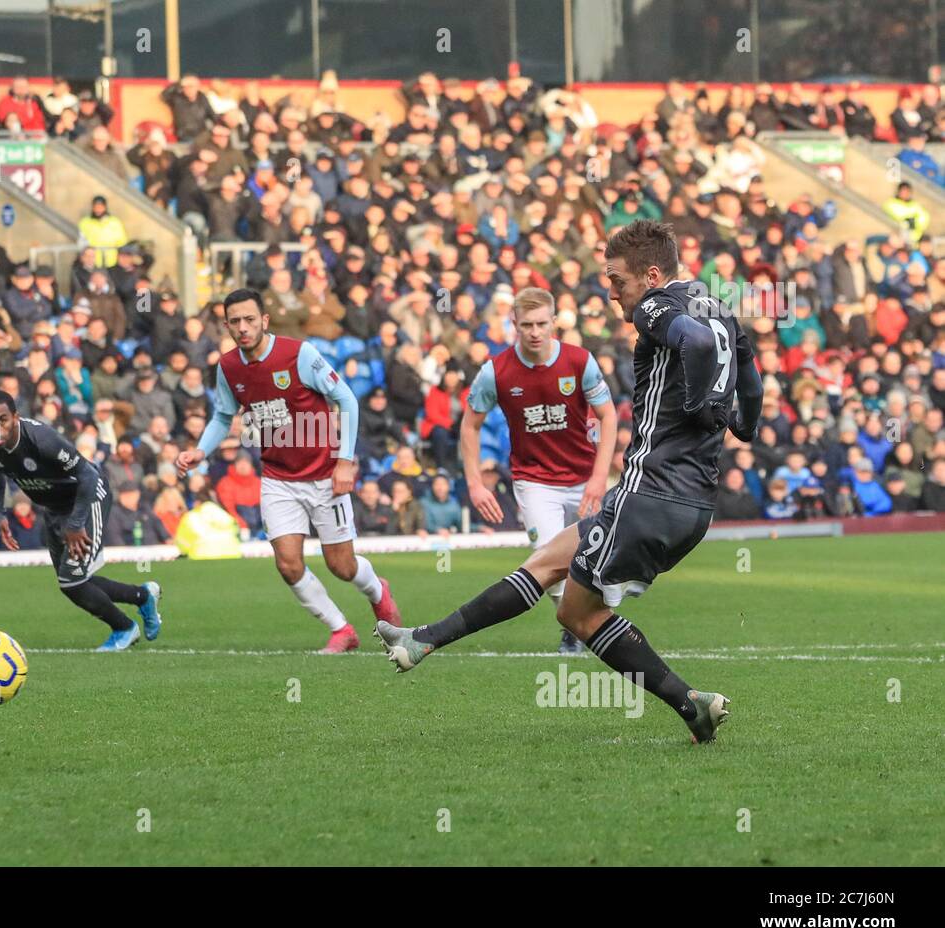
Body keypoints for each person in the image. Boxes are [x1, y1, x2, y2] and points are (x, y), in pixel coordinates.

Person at [378, 220, 764, 744]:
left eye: (616, 279)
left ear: (652, 275)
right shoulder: (717, 305)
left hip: (649, 493)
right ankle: (420, 640)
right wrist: (744, 422)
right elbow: (748, 368)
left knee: (576, 613)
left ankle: (688, 702)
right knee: (544, 563)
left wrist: (698, 405)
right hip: (691, 503)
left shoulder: (655, 305)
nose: (611, 291)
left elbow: (693, 343)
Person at [174, 288, 400, 653]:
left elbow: (346, 399)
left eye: (250, 319)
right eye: (235, 322)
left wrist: (345, 460)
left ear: (264, 320)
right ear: (227, 326)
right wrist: (200, 451)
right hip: (279, 477)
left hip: (325, 474)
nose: (243, 328)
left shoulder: (298, 354)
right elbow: (222, 416)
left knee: (341, 566)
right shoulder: (229, 367)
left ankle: (378, 591)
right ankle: (341, 629)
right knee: (288, 564)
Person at [462, 287, 618, 654]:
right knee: (548, 561)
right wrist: (475, 484)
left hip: (584, 478)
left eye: (542, 324)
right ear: (513, 324)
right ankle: (576, 626)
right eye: (527, 325)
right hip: (535, 481)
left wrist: (599, 477)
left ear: (554, 324)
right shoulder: (495, 372)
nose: (534, 332)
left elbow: (608, 416)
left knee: (600, 566)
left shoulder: (580, 362)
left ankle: (591, 619)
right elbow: (470, 425)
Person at [0, 390, 162, 651]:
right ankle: (143, 596)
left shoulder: (42, 439)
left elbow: (87, 475)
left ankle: (124, 628)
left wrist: (75, 525)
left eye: (2, 419)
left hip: (87, 498)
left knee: (72, 581)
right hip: (53, 507)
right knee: (76, 580)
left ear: (16, 417)